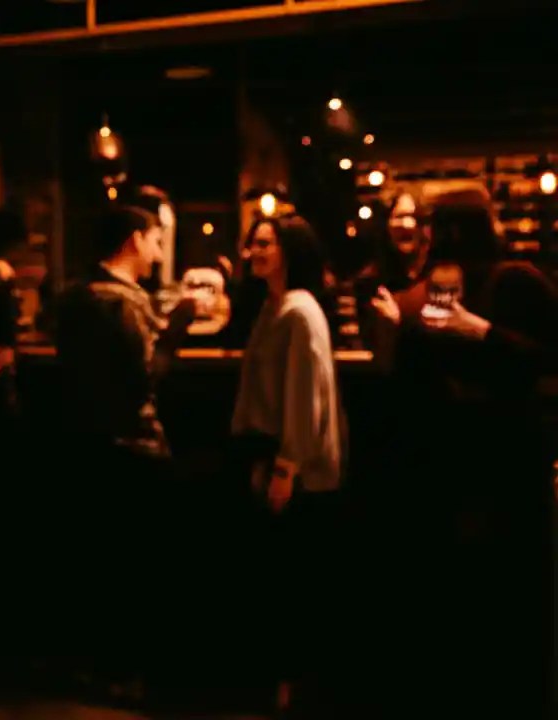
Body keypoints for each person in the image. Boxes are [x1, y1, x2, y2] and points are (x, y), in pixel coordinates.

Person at [368, 186, 557, 718]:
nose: (426, 236)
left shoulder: (514, 280)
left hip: (506, 461)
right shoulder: (436, 290)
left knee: (509, 592)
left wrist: (485, 332)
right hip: (449, 465)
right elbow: (413, 380)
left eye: (436, 226)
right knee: (461, 599)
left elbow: (548, 357)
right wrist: (394, 332)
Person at [54, 204, 197, 701]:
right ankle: (129, 675)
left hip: (81, 444)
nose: (158, 248)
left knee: (97, 566)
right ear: (135, 239)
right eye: (155, 237)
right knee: (137, 570)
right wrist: (178, 326)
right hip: (132, 447)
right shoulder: (124, 303)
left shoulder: (73, 296)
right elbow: (145, 378)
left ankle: (92, 667)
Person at [230, 214, 344, 718]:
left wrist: (285, 467)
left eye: (265, 243)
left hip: (293, 467)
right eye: (252, 243)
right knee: (281, 576)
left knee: (294, 580)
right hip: (272, 456)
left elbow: (306, 397)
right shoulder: (272, 307)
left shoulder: (299, 312)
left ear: (290, 251)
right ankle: (282, 683)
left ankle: (293, 689)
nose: (254, 250)